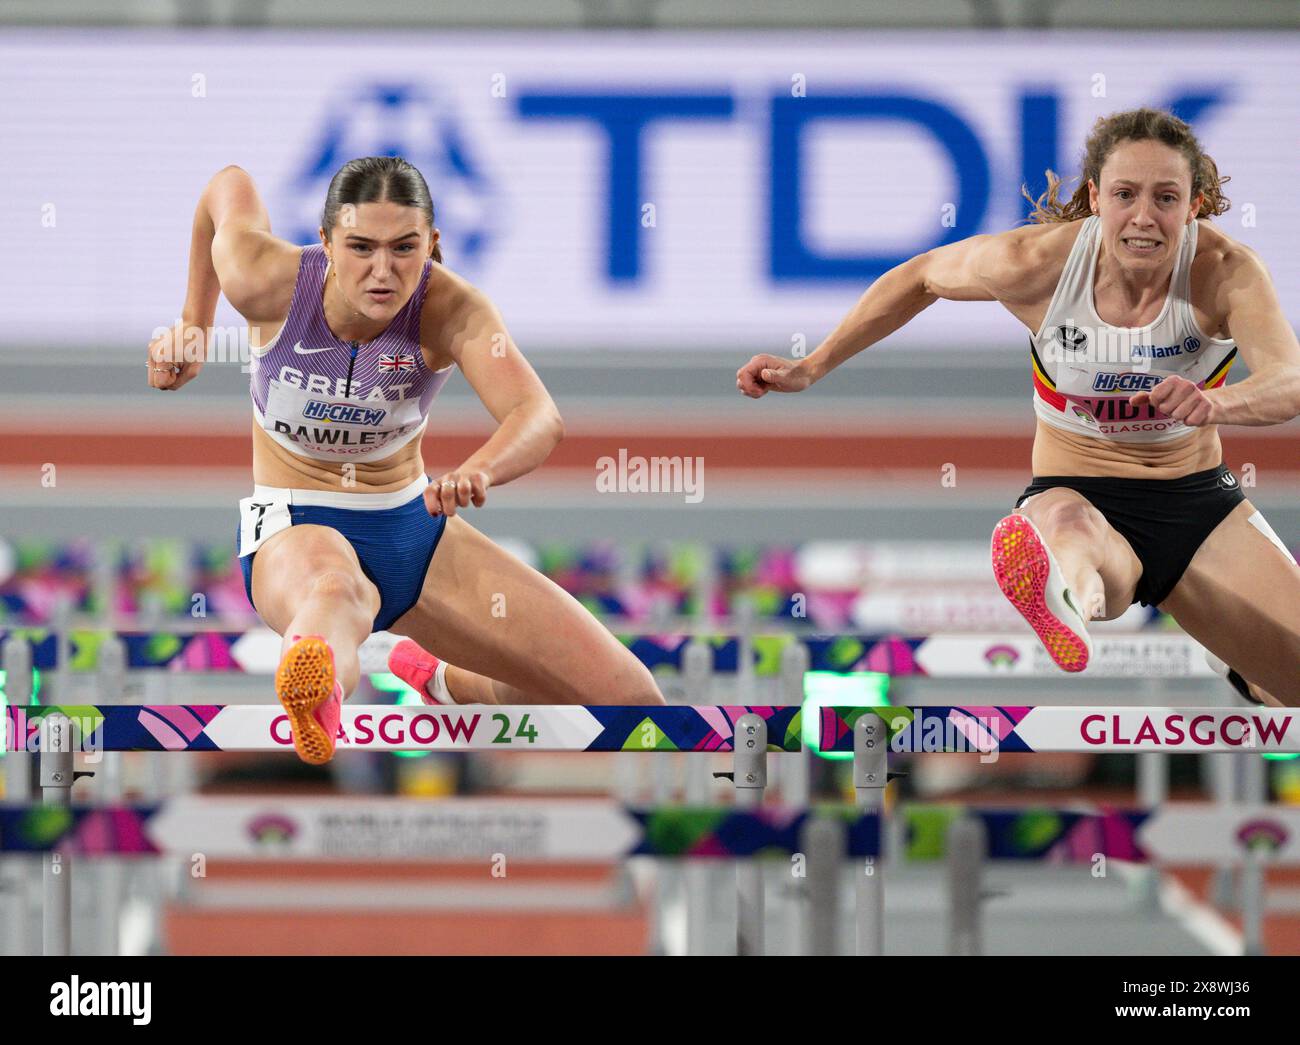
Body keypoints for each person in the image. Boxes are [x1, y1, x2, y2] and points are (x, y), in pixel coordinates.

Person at [737, 108, 1300, 705]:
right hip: (1080, 490)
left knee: (1290, 691)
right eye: (1124, 195)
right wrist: (813, 364)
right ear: (1095, 198)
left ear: (1194, 204)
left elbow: (1289, 382)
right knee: (1071, 530)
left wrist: (1216, 402)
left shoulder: (1225, 273)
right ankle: (1065, 598)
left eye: (1166, 198)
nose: (1143, 218)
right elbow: (922, 276)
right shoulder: (1039, 264)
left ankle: (1242, 667)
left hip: (1197, 504)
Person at [148, 156, 663, 764]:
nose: (383, 271)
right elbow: (224, 187)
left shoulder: (453, 309)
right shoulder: (266, 280)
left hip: (416, 531)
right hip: (296, 525)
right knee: (337, 591)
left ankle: (449, 683)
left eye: (404, 248)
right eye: (361, 247)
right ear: (326, 243)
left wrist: (482, 469)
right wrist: (194, 323)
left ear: (434, 245)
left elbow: (537, 415)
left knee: (633, 705)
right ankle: (319, 693)